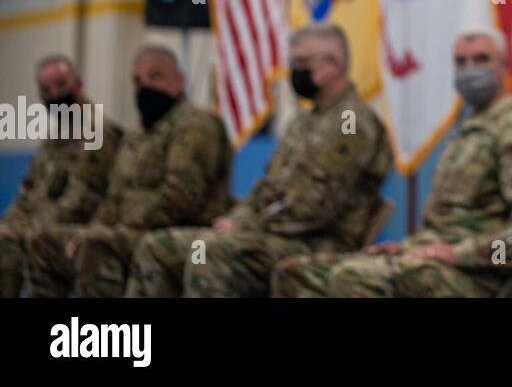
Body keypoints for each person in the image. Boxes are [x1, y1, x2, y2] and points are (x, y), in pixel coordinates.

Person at [271, 28, 512, 298]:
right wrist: (409, 248)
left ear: (503, 65)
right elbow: (445, 227)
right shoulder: (466, 131)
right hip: (430, 262)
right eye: (461, 62)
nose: (471, 69)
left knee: (352, 278)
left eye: (482, 59)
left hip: (477, 277)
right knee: (297, 274)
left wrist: (462, 254)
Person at [126, 24, 391, 297]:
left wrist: (244, 226)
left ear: (333, 64)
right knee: (156, 247)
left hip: (319, 242)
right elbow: (266, 186)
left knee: (206, 252)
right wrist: (234, 220)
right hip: (275, 235)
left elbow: (314, 208)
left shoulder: (351, 123)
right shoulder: (304, 122)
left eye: (301, 62)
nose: (293, 71)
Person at [25, 45, 229, 297]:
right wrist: (95, 227)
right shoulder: (138, 136)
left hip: (180, 230)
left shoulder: (195, 124)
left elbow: (179, 197)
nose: (144, 87)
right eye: (137, 81)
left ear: (180, 80)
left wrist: (118, 229)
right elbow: (113, 197)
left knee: (99, 244)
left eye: (155, 76)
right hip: (130, 231)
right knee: (45, 242)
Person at [0, 55, 122, 297]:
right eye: (46, 89)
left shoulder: (98, 132)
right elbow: (28, 192)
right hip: (41, 226)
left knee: (9, 244)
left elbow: (83, 198)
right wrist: (10, 222)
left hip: (76, 229)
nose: (54, 94)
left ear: (78, 84)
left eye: (61, 85)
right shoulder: (55, 138)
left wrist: (29, 227)